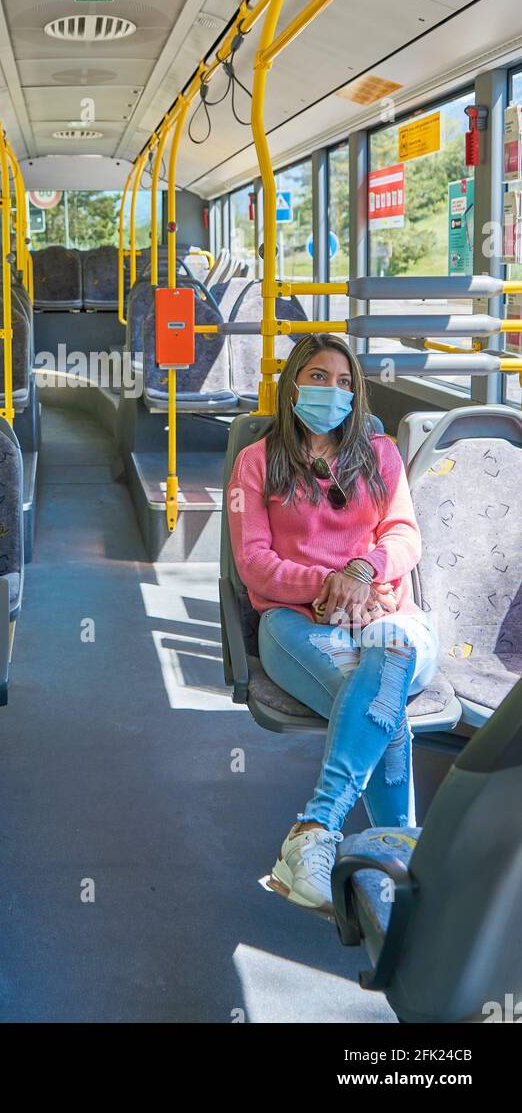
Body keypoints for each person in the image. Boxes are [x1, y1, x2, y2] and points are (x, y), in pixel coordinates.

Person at [227, 334, 438, 913]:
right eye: (319, 377)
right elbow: (254, 562)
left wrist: (363, 572)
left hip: (385, 610)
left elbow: (403, 536)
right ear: (293, 383)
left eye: (345, 383)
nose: (333, 391)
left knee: (390, 659)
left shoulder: (381, 455)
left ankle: (313, 831)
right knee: (385, 709)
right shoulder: (257, 462)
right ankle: (405, 862)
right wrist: (328, 586)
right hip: (296, 620)